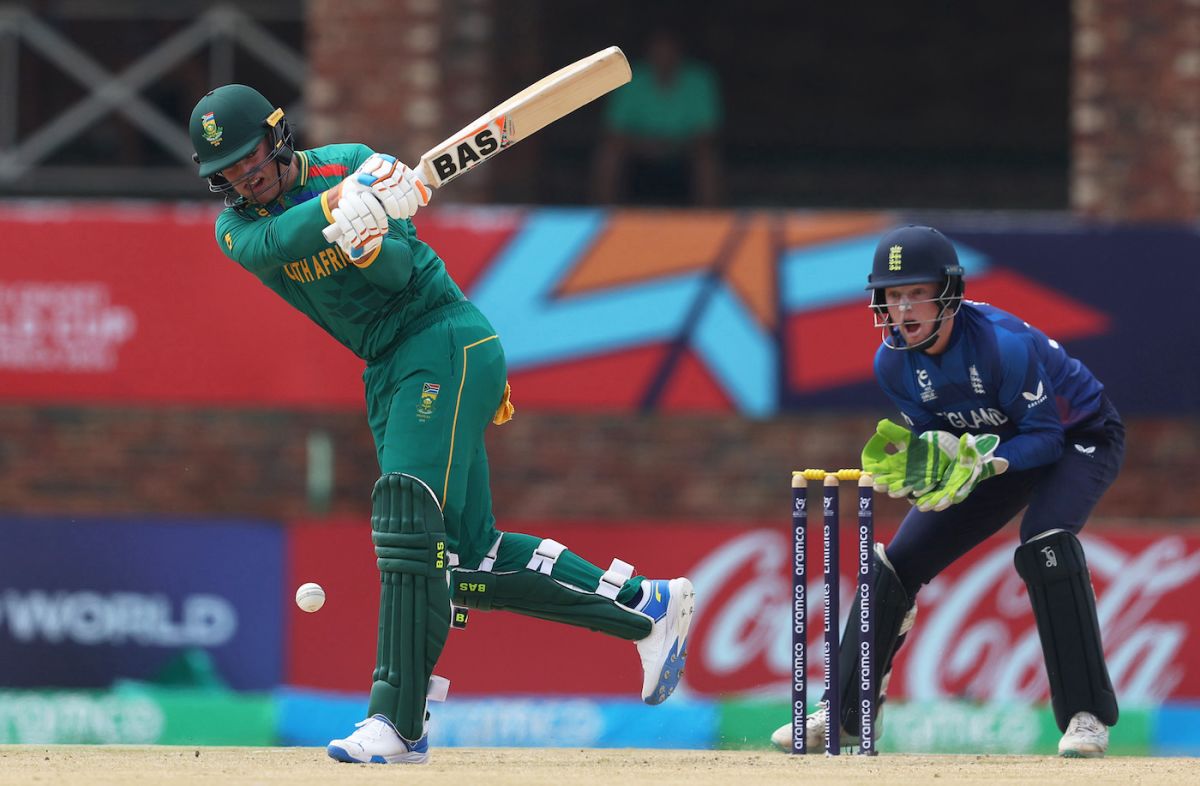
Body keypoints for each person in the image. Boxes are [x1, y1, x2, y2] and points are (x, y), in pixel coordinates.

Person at [188, 84, 696, 764]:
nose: (241, 174)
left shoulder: (350, 162)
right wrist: (345, 208)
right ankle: (646, 607)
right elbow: (278, 239)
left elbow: (400, 276)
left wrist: (370, 240)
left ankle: (395, 720)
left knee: (406, 521)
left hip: (441, 338)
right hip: (387, 368)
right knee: (462, 559)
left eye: (247, 155)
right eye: (225, 169)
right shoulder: (238, 229)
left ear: (275, 138)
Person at [771, 225, 1122, 758]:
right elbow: (938, 437)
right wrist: (929, 469)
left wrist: (988, 460)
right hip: (993, 453)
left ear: (949, 292)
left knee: (1043, 541)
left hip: (1078, 437)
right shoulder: (892, 365)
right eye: (893, 295)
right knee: (897, 562)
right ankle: (845, 714)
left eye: (917, 292)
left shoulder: (1003, 347)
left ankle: (1086, 715)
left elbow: (1046, 439)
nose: (904, 309)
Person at [591, 29, 721, 206]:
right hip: (638, 154)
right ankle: (603, 214)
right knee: (609, 153)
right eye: (659, 52)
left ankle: (708, 218)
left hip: (683, 153)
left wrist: (674, 145)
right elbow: (614, 130)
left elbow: (707, 133)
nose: (664, 58)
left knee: (706, 158)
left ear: (679, 53)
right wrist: (646, 145)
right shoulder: (629, 79)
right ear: (649, 54)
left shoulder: (699, 79)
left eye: (669, 52)